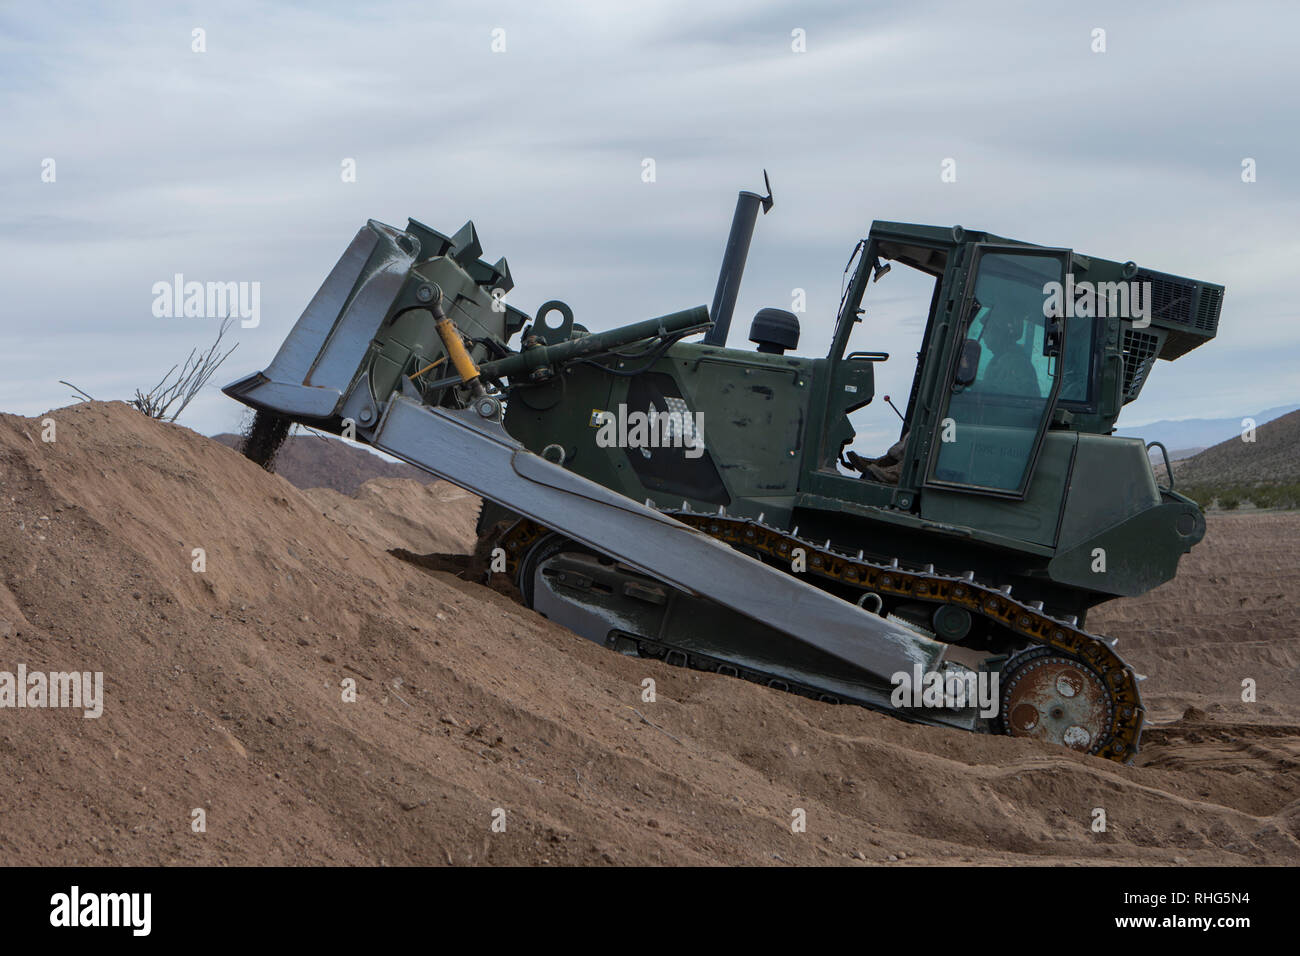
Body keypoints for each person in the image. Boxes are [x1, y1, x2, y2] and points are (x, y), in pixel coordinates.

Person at [979, 311, 1039, 397]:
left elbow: (1013, 400)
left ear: (1001, 332)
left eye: (986, 331)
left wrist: (979, 388)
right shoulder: (998, 359)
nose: (982, 336)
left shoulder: (1017, 363)